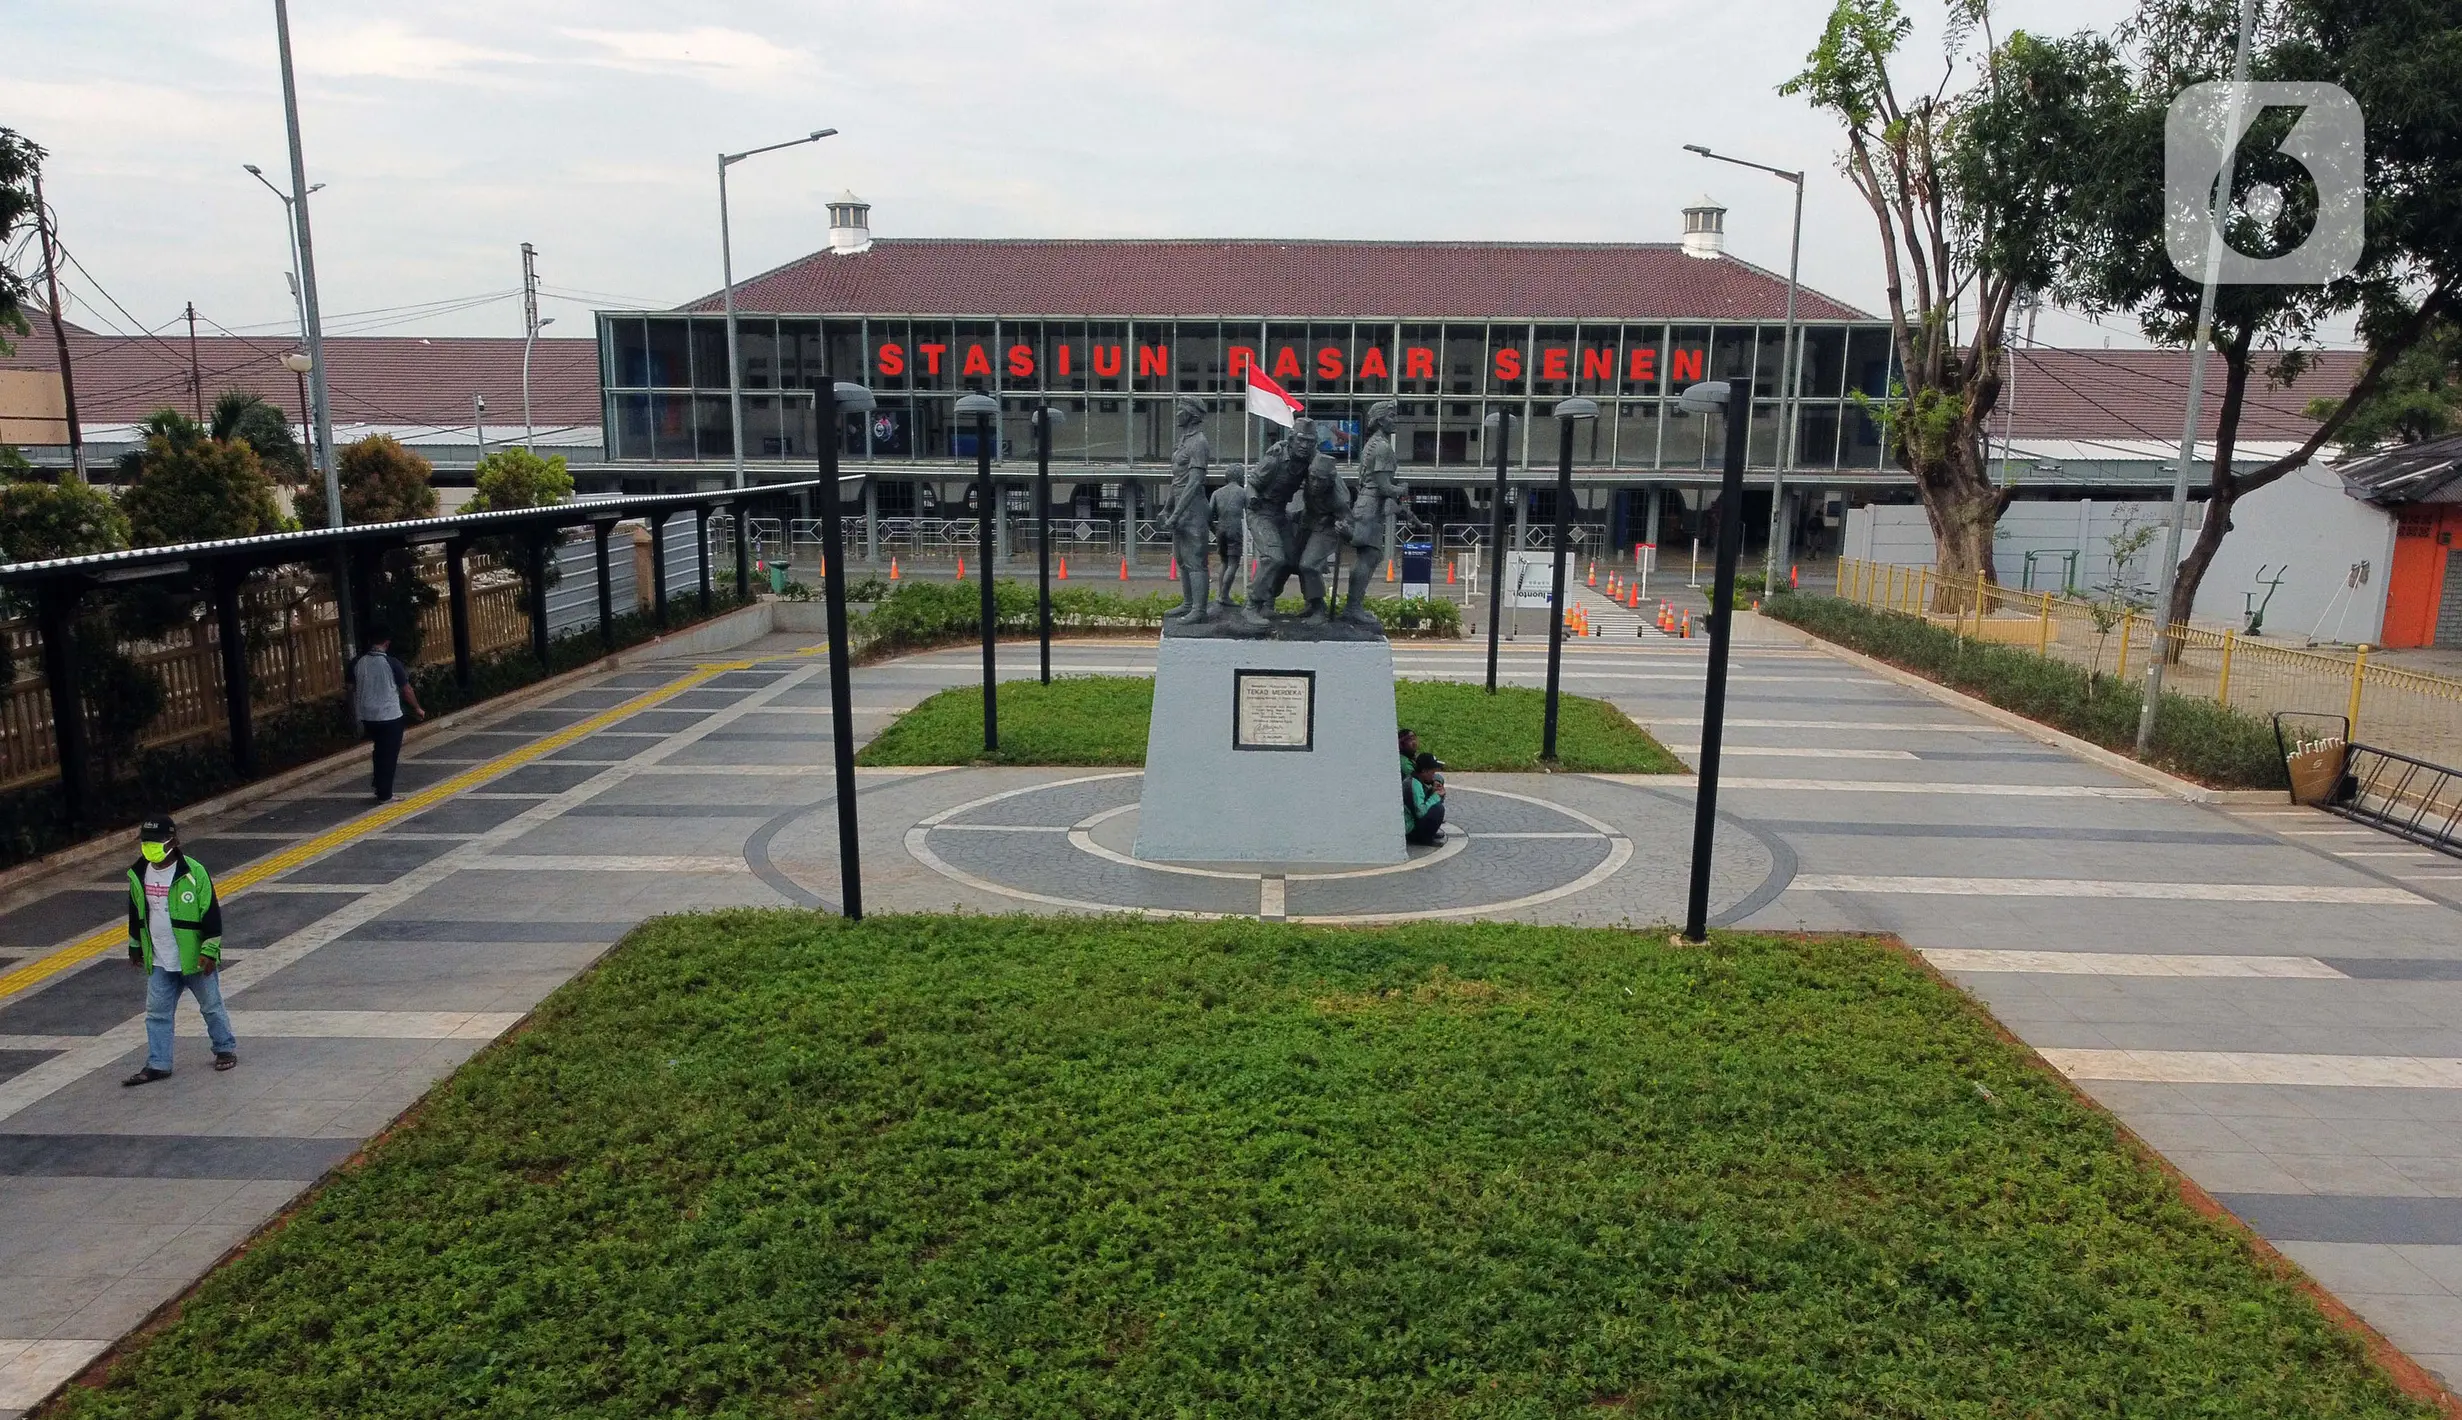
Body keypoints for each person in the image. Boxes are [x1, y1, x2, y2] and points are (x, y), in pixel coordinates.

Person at [123, 815, 237, 1085]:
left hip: (194, 957)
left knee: (211, 1006)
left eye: (155, 842)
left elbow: (211, 913)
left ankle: (224, 1048)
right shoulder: (139, 874)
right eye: (145, 842)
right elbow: (135, 913)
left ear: (172, 841)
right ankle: (158, 1063)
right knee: (157, 1013)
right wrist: (135, 946)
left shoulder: (194, 872)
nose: (149, 847)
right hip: (160, 959)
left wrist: (210, 951)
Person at [347, 624, 425, 802]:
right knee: (389, 753)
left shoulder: (357, 662)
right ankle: (385, 793)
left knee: (379, 750)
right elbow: (406, 690)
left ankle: (378, 783)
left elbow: (350, 689)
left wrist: (353, 713)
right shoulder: (392, 663)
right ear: (387, 643)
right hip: (389, 716)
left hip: (367, 716)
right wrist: (417, 708)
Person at [1405, 751, 1447, 846]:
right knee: (1438, 809)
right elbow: (1420, 812)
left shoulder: (1417, 780)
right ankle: (1424, 839)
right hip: (1410, 829)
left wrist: (1432, 790)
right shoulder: (1414, 785)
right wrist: (1436, 796)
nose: (1434, 775)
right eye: (1432, 772)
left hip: (1413, 822)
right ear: (1424, 771)